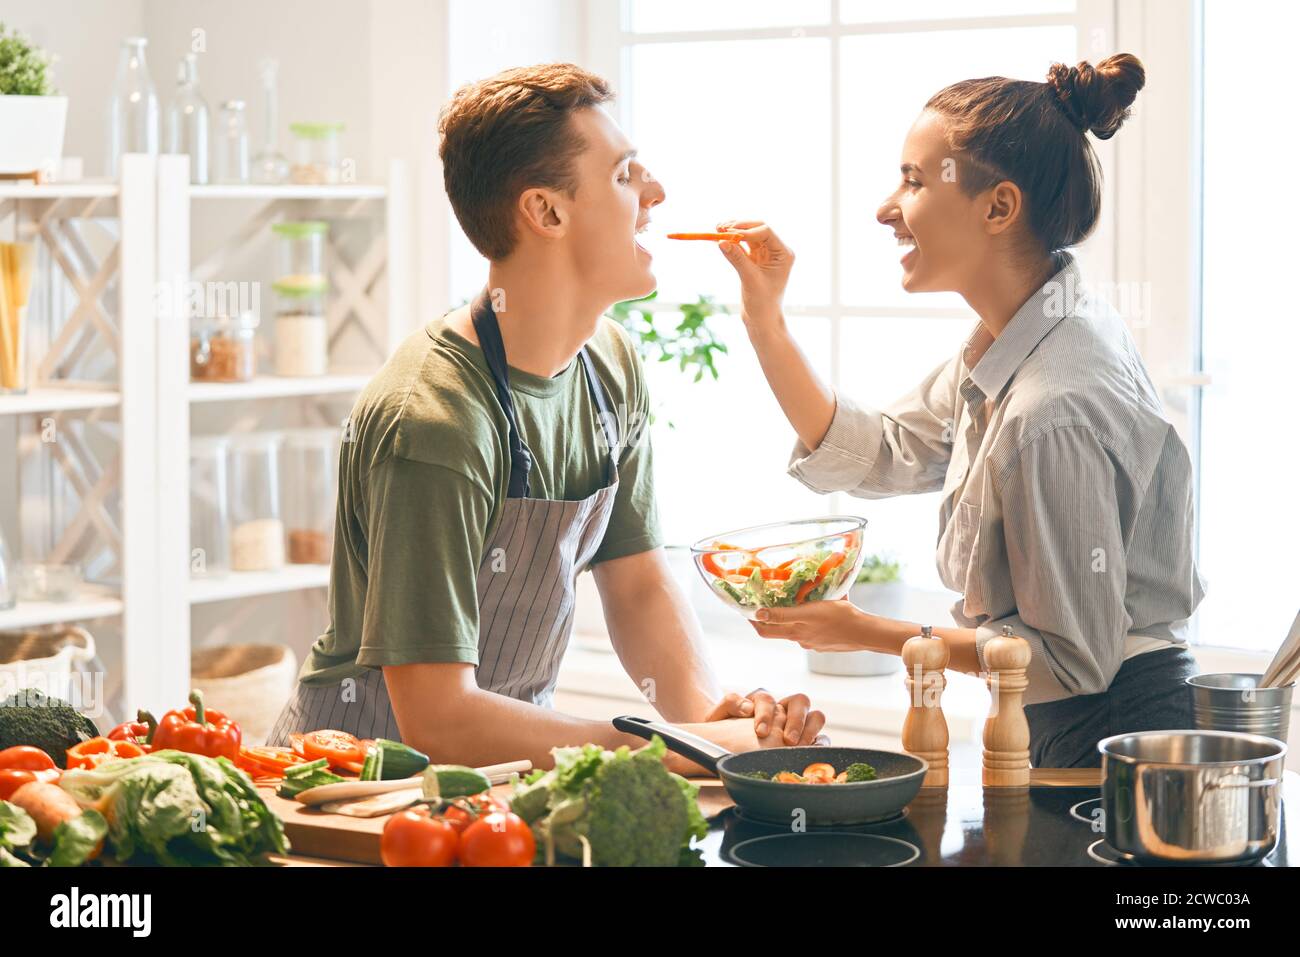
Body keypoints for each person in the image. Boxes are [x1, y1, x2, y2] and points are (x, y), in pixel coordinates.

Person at [267, 63, 825, 773]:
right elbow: (439, 718)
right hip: (356, 795)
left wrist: (707, 715)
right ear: (547, 212)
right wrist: (676, 747)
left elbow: (636, 580)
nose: (656, 193)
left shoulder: (611, 365)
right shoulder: (434, 422)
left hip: (499, 785)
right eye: (625, 176)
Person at [714, 55, 1205, 768]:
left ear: (999, 208)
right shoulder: (1024, 339)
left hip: (1114, 737)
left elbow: (1072, 659)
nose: (887, 208)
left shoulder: (1051, 407)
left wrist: (867, 631)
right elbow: (881, 450)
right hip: (1078, 724)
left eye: (914, 181)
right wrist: (766, 318)